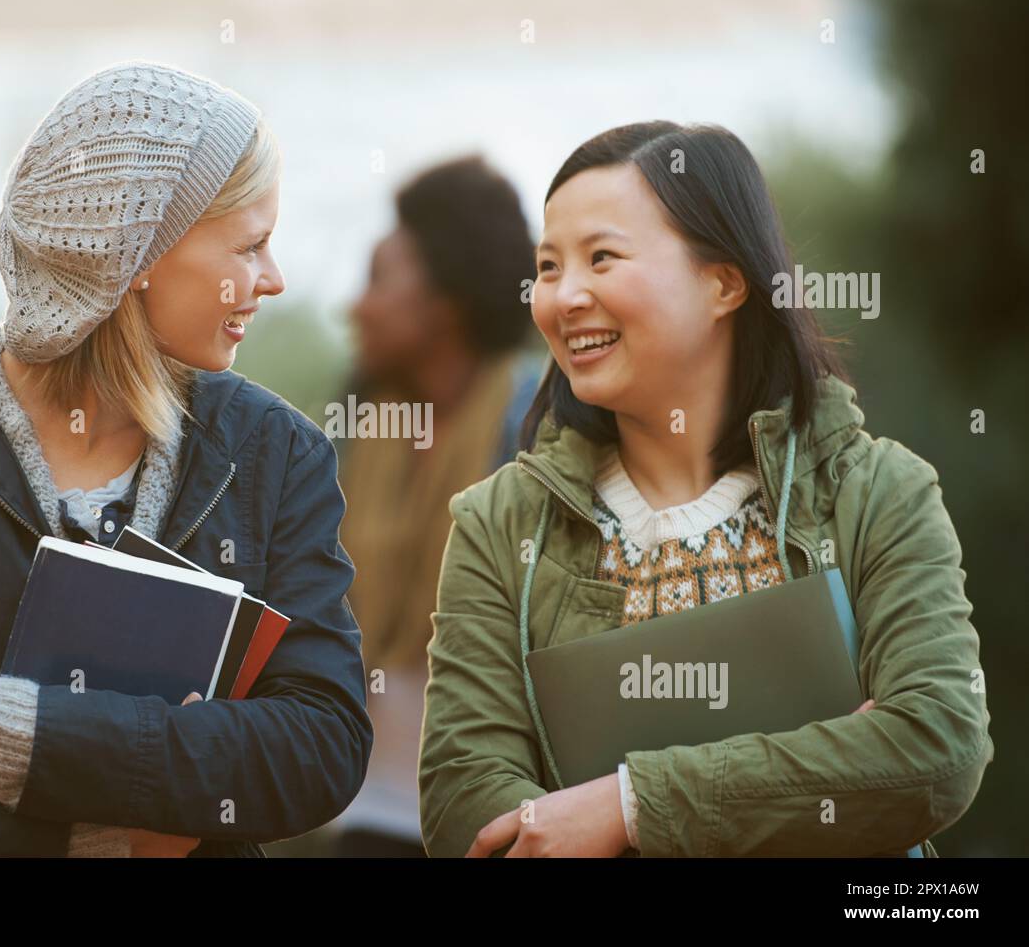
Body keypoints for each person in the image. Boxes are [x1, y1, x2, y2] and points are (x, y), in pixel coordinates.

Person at [0, 62, 372, 857]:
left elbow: (322, 743)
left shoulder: (278, 455)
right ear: (139, 254)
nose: (273, 278)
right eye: (252, 244)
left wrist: (59, 742)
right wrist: (87, 842)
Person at [418, 122, 993, 857]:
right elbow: (466, 801)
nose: (565, 297)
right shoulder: (499, 523)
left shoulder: (878, 491)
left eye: (602, 258)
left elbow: (936, 746)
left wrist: (626, 807)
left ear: (723, 281)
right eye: (550, 267)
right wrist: (835, 764)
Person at [327, 156, 539, 857]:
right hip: (363, 798)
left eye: (379, 279)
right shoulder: (363, 422)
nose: (357, 306)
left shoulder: (532, 429)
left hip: (491, 806)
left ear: (446, 301)